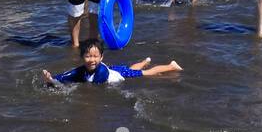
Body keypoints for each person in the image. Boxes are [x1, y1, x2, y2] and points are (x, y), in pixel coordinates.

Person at [43, 39, 181, 85]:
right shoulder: (83, 69)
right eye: (88, 56)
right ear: (82, 57)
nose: (92, 60)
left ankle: (171, 65)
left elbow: (94, 87)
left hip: (113, 73)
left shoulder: (101, 72)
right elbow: (69, 75)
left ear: (101, 57)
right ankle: (145, 60)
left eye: (95, 56)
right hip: (114, 70)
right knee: (130, 70)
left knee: (146, 73)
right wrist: (52, 79)